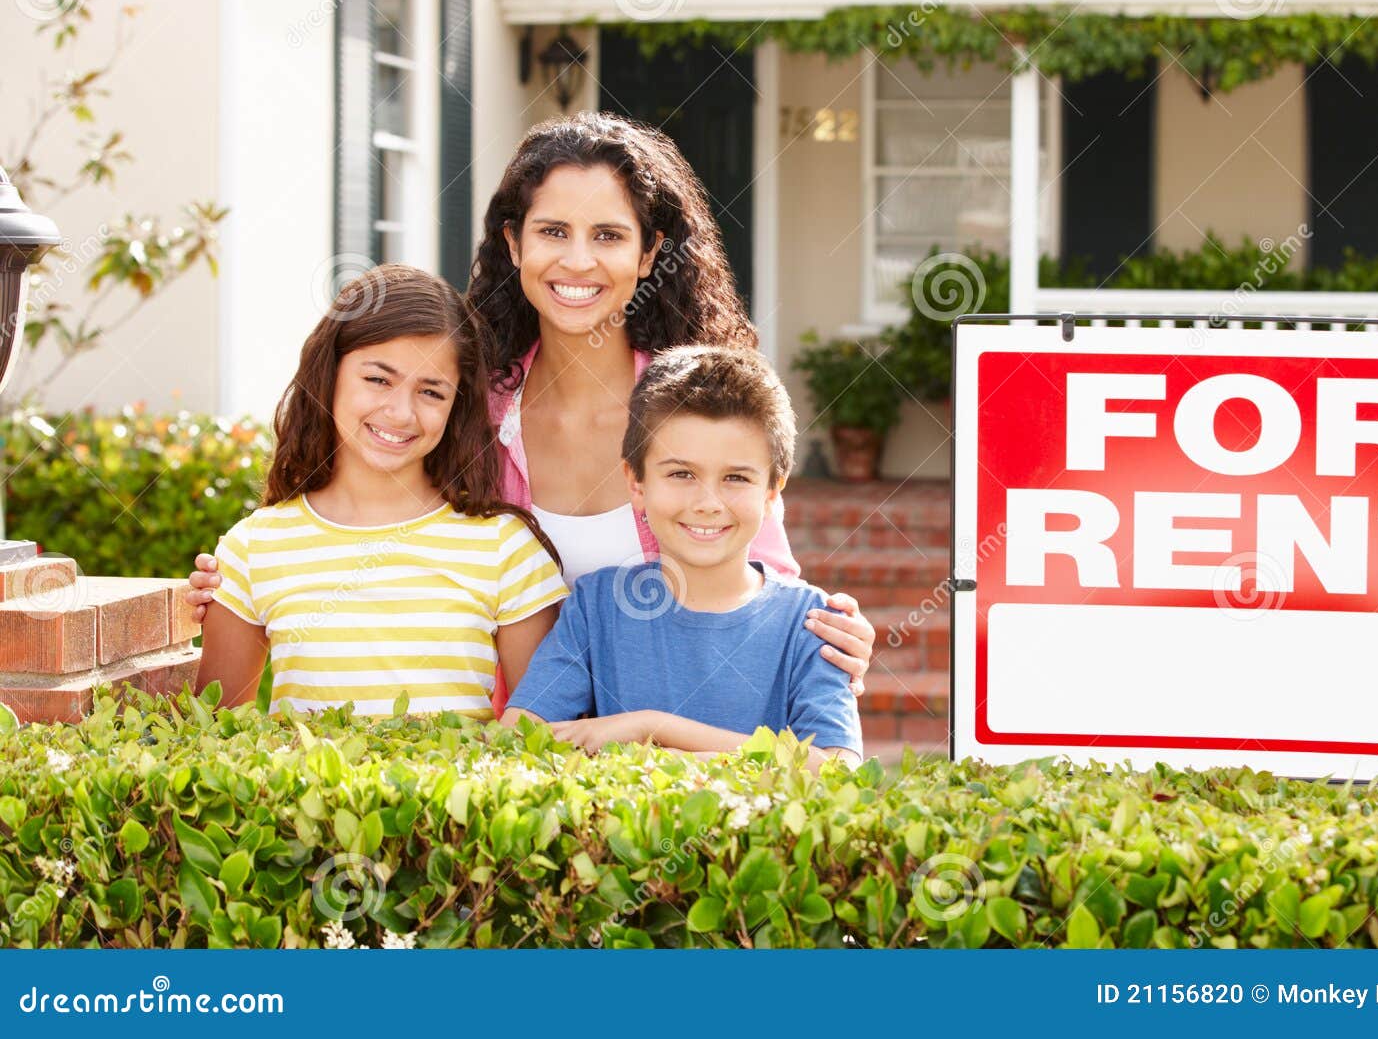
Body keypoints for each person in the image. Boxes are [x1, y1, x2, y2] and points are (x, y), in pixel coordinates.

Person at [185, 113, 877, 712]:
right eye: (553, 231)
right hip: (514, 771)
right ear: (515, 244)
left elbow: (764, 592)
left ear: (649, 253)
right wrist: (245, 579)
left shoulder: (697, 421)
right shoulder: (463, 410)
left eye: (608, 235)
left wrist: (835, 640)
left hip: (671, 765)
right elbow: (370, 522)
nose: (578, 261)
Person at [196, 266, 566, 718]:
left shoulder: (505, 548)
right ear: (330, 373)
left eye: (432, 392)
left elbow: (545, 735)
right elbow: (214, 734)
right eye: (378, 379)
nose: (400, 412)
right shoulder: (253, 549)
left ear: (457, 406)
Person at [500, 346, 862, 769]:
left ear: (771, 492)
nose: (707, 503)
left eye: (735, 478)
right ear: (636, 483)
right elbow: (519, 737)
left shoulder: (813, 623)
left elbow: (838, 768)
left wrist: (655, 727)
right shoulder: (597, 605)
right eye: (681, 474)